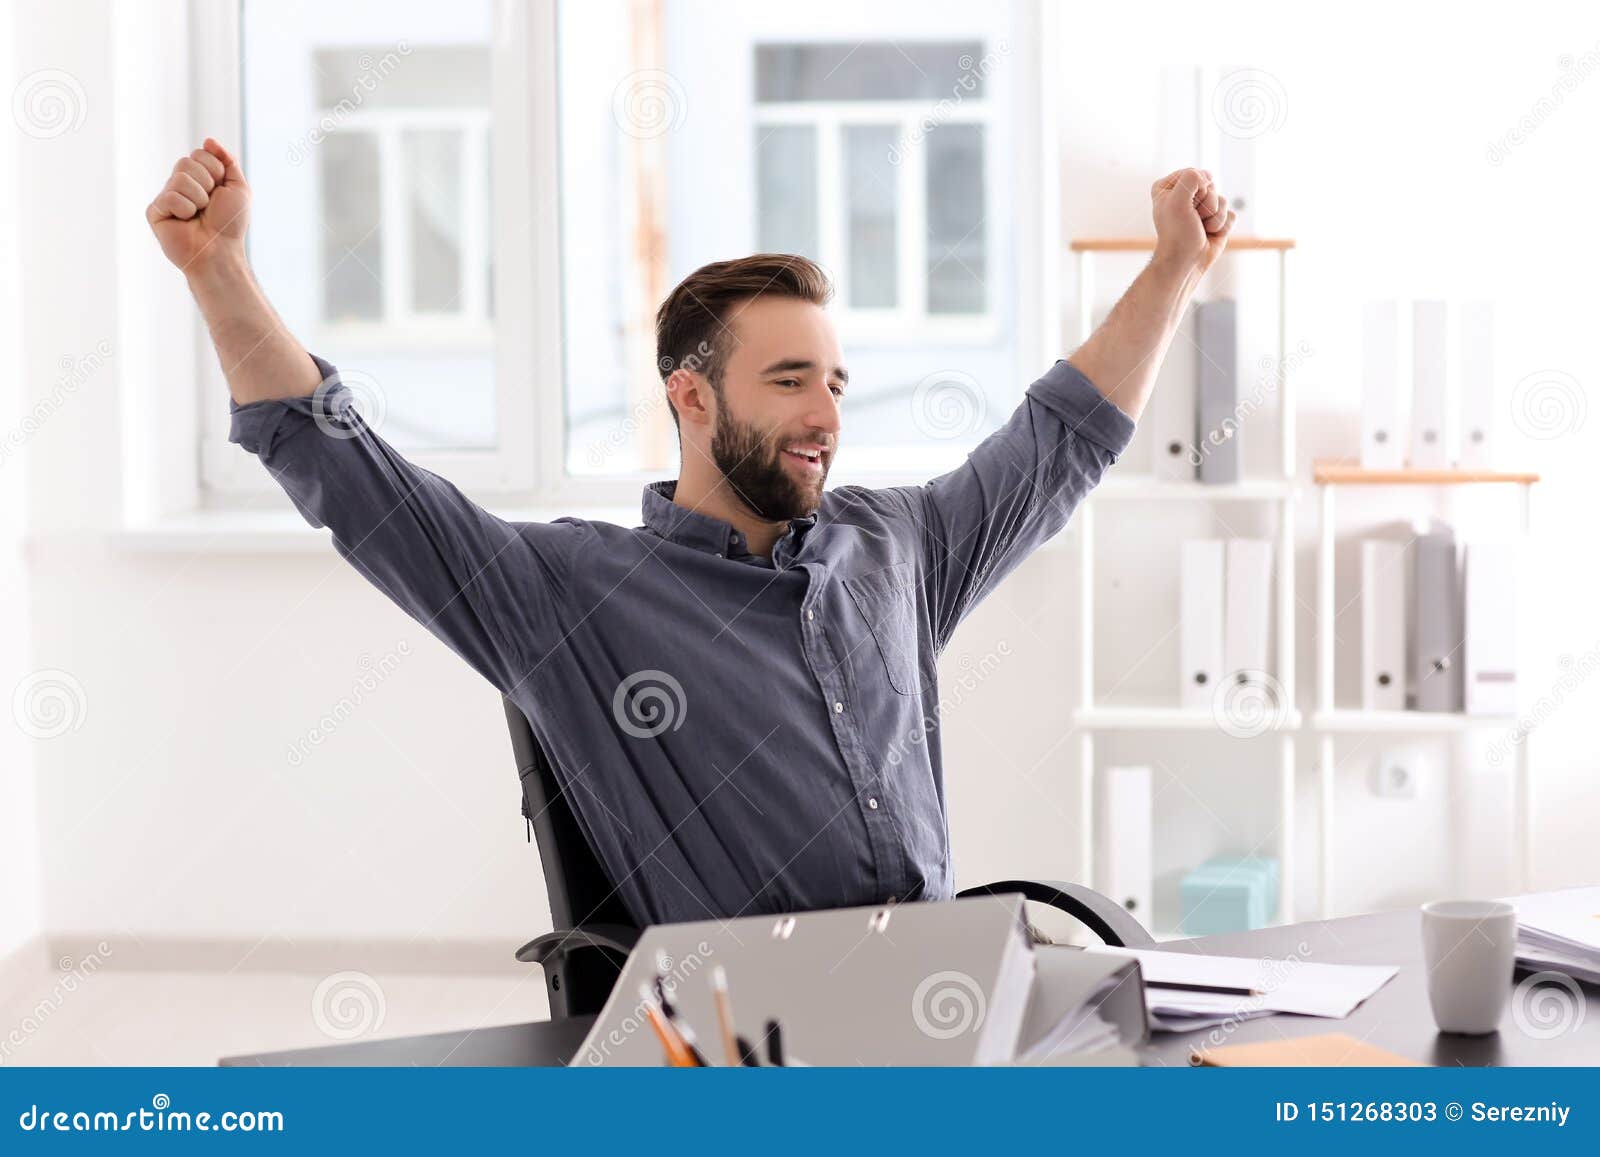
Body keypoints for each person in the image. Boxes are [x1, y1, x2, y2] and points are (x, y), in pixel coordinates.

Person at [147, 137, 1234, 927]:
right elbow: (347, 470)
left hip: (940, 1003)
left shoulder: (897, 547)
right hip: (751, 1042)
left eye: (838, 382)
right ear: (694, 398)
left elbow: (1062, 439)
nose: (826, 415)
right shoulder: (570, 592)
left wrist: (1176, 264)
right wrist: (218, 269)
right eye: (790, 380)